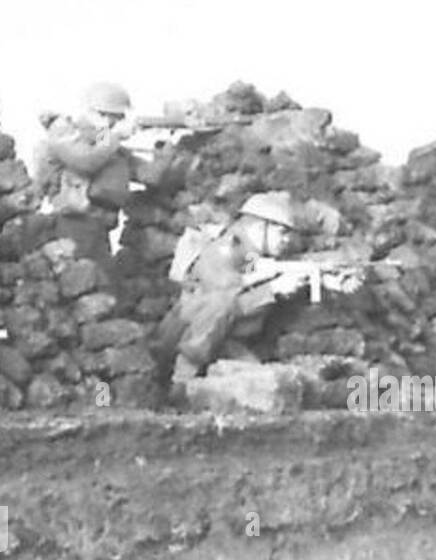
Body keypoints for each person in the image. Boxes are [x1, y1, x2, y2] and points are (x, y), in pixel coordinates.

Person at [162, 191, 362, 379]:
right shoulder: (225, 249)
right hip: (192, 334)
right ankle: (184, 375)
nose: (287, 240)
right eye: (282, 232)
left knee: (258, 379)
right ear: (259, 227)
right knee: (221, 304)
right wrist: (274, 289)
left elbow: (288, 267)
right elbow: (227, 299)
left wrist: (329, 278)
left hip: (230, 338)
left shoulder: (258, 252)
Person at [33, 82, 141, 262]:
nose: (114, 124)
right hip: (74, 223)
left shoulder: (99, 138)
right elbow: (86, 161)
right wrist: (116, 136)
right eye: (113, 117)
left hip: (97, 224)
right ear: (97, 113)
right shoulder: (64, 133)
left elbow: (108, 153)